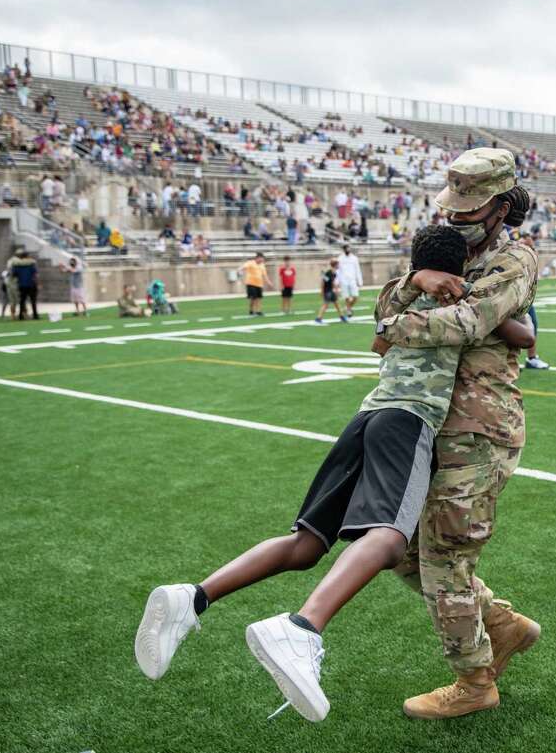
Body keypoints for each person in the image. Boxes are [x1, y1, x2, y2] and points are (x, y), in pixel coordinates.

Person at [133, 226, 535, 721]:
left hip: (366, 417)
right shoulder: (456, 305)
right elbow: (522, 335)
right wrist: (470, 293)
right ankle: (303, 628)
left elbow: (378, 342)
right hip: (408, 422)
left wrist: (415, 285)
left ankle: (192, 597)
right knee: (389, 540)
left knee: (305, 544)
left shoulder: (402, 299)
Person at [372, 148, 541, 720]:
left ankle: (474, 681)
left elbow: (468, 322)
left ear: (500, 206)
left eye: (470, 209)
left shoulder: (515, 259)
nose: (457, 217)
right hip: (424, 422)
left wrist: (394, 326)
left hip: (478, 428)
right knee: (398, 549)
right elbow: (388, 298)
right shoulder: (444, 245)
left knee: (445, 556)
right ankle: (500, 624)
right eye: (454, 207)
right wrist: (415, 278)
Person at [519, 233, 549, 369]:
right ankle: (510, 361)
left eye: (531, 247)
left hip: (526, 299)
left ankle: (532, 358)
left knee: (533, 326)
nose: (530, 249)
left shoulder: (530, 258)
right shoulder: (512, 257)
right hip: (514, 300)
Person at [8, 248, 39, 320]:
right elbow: (35, 275)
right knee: (33, 301)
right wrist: (37, 283)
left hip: (21, 285)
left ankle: (20, 316)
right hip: (31, 284)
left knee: (22, 301)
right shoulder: (31, 263)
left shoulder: (16, 264)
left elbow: (13, 274)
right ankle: (35, 315)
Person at [239, 253, 272, 317]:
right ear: (257, 258)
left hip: (259, 284)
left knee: (259, 298)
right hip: (251, 283)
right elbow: (243, 267)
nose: (262, 260)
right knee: (253, 298)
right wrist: (239, 269)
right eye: (261, 258)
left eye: (263, 259)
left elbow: (264, 275)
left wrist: (268, 282)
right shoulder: (250, 263)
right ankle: (251, 310)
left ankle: (258, 311)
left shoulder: (262, 265)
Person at [316, 258, 347, 323]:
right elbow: (323, 282)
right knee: (325, 305)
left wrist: (336, 290)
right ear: (335, 265)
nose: (338, 265)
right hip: (327, 291)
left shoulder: (334, 273)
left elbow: (333, 283)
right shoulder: (328, 273)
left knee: (337, 304)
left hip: (331, 291)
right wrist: (321, 291)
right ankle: (318, 318)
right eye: (337, 264)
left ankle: (342, 316)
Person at [336, 244, 363, 317]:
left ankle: (348, 308)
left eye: (348, 249)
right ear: (343, 250)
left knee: (355, 296)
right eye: (346, 249)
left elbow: (357, 269)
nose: (347, 250)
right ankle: (348, 311)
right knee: (346, 297)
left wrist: (360, 281)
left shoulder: (354, 258)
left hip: (352, 280)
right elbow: (338, 271)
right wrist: (337, 281)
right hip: (343, 280)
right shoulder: (340, 258)